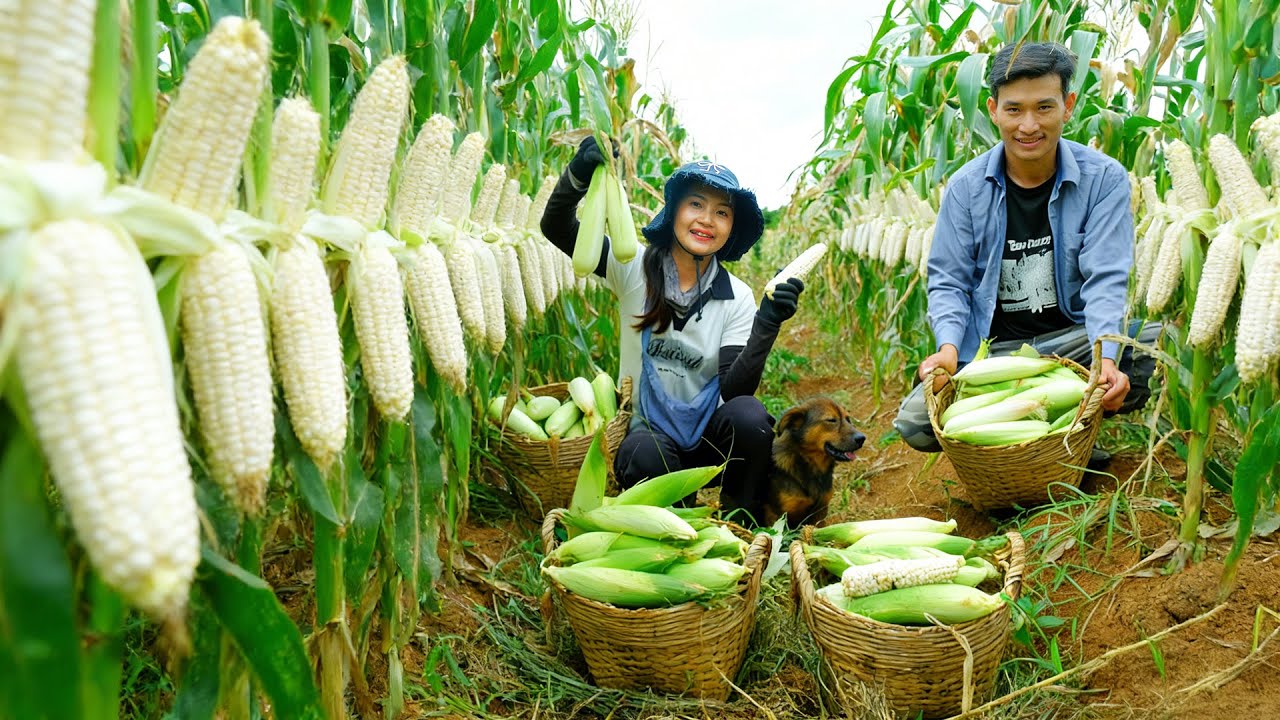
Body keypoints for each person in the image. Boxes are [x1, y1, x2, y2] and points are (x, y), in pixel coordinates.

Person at [893, 41, 1158, 459]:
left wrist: (1105, 356)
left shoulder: (1103, 179)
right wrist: (947, 349)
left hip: (1073, 343)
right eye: (1014, 109)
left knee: (1159, 352)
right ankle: (1058, 445)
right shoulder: (965, 188)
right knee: (916, 424)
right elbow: (948, 281)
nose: (1029, 125)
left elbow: (1106, 275)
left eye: (1045, 108)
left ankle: (1067, 438)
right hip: (994, 352)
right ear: (993, 109)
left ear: (1068, 106)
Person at [541, 138, 804, 525]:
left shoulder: (738, 298)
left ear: (731, 228)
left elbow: (735, 391)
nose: (706, 220)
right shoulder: (632, 267)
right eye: (695, 204)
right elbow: (556, 226)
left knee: (750, 418)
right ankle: (675, 520)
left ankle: (739, 523)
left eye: (721, 212)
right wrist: (579, 174)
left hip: (708, 438)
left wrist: (767, 322)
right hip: (648, 436)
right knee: (645, 454)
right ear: (675, 210)